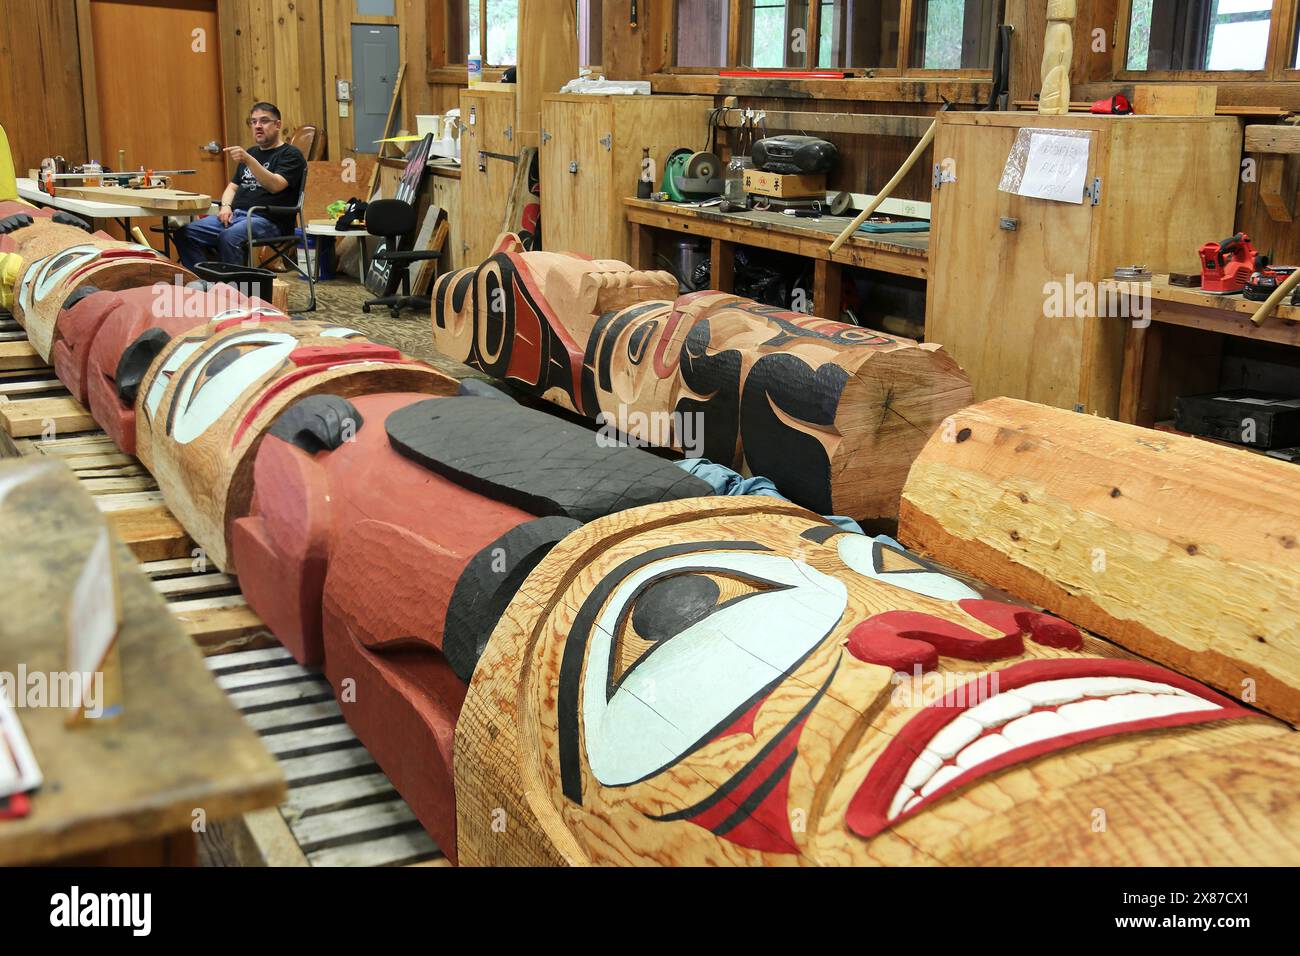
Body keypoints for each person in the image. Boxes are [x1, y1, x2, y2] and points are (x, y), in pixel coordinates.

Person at [172, 102, 306, 270]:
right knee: (185, 233)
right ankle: (204, 279)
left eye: (264, 121)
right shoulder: (251, 152)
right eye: (253, 121)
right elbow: (232, 188)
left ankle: (233, 285)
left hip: (269, 220)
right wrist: (226, 206)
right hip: (236, 216)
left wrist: (249, 161)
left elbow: (275, 185)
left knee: (230, 237)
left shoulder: (290, 154)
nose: (257, 126)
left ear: (278, 125)